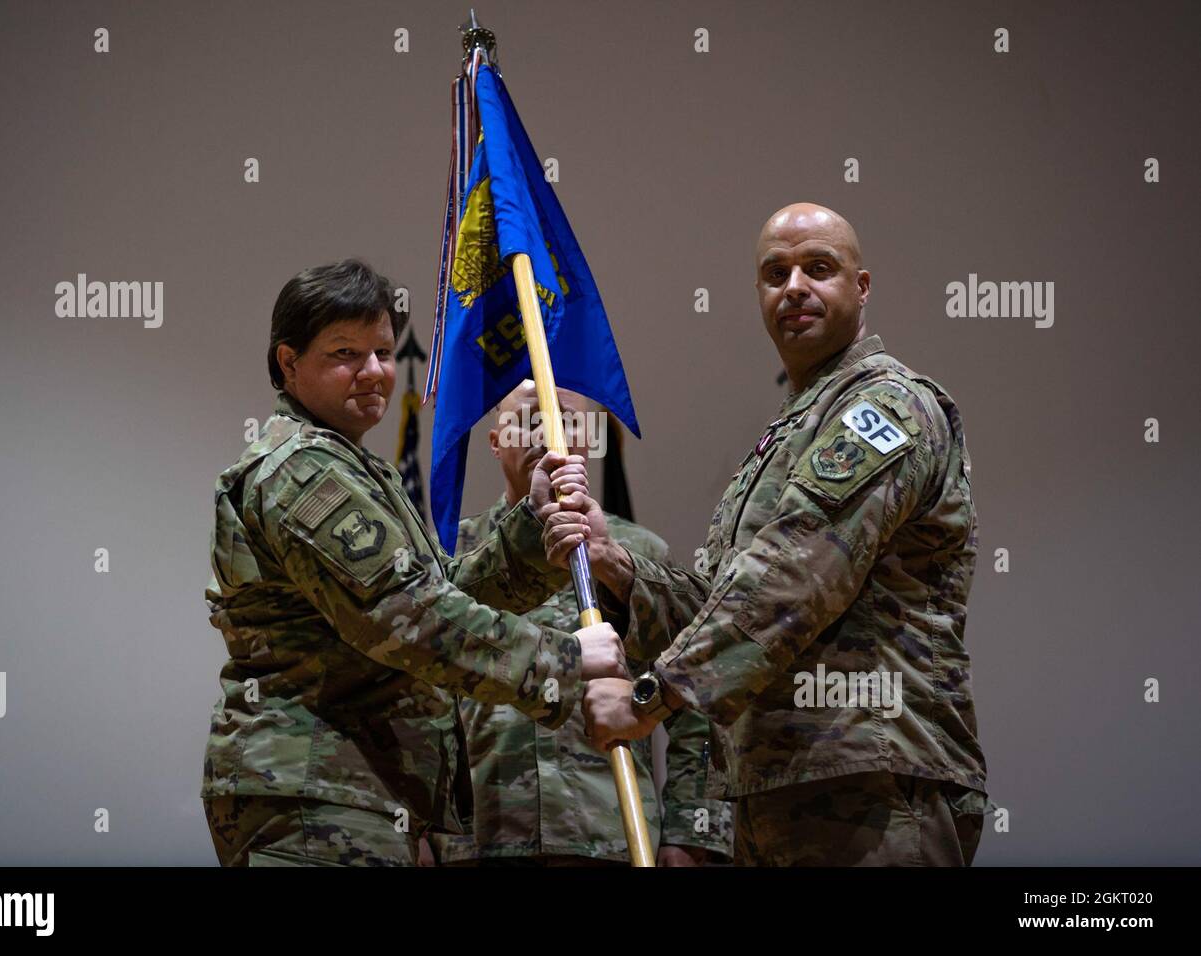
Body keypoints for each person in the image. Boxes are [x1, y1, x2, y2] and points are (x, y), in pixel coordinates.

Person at [562, 203, 989, 866]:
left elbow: (792, 579)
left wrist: (649, 699)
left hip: (869, 785)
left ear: (862, 286)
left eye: (819, 268)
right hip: (773, 792)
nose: (794, 286)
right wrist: (617, 564)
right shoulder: (789, 431)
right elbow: (720, 603)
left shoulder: (886, 405)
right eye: (775, 273)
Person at [201, 259, 627, 866]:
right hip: (313, 790)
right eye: (345, 353)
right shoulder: (302, 469)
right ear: (289, 363)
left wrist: (530, 531)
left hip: (348, 786)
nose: (374, 371)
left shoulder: (346, 463)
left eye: (382, 350)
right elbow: (405, 616)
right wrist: (563, 659)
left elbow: (437, 591)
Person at [428, 381, 732, 866]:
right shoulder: (449, 556)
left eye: (568, 422)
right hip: (481, 830)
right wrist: (422, 824)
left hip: (609, 827)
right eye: (529, 420)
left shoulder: (636, 555)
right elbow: (424, 694)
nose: (549, 436)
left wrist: (691, 830)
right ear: (494, 440)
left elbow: (694, 701)